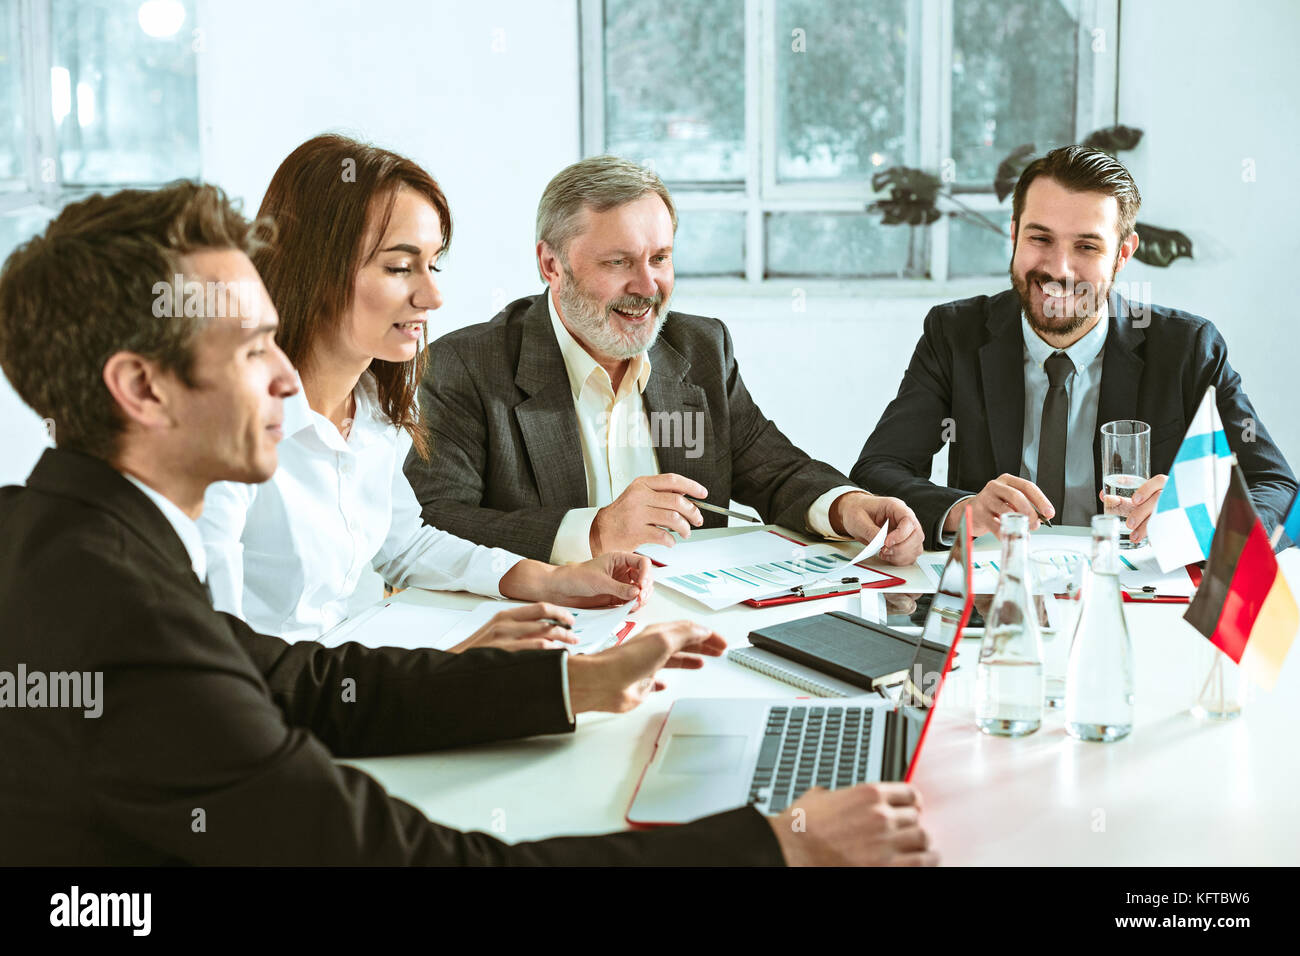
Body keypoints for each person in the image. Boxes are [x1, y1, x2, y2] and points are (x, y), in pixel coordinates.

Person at [0, 182, 936, 866]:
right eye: (253, 351)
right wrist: (774, 849)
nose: (286, 378)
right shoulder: (117, 612)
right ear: (141, 387)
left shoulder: (87, 545)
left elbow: (306, 684)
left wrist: (572, 685)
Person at [197, 135, 647, 646]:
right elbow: (216, 658)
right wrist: (443, 667)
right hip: (272, 703)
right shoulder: (229, 429)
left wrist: (550, 579)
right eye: (398, 267)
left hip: (331, 681)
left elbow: (404, 544)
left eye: (433, 264)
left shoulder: (371, 408)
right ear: (315, 268)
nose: (432, 295)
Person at [403, 155, 925, 566]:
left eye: (660, 258)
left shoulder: (699, 349)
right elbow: (432, 524)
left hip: (692, 624)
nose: (648, 287)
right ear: (551, 265)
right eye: (619, 262)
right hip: (550, 634)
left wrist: (847, 506)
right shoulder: (468, 365)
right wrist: (596, 531)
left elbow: (775, 471)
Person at [852, 145, 1296, 549]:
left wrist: (1204, 519)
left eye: (1086, 246)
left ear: (1122, 255)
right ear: (1014, 235)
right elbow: (879, 469)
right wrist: (961, 510)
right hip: (998, 594)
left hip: (1132, 595)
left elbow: (1275, 484)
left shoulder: (1186, 347)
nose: (1058, 269)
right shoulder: (955, 333)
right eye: (1040, 239)